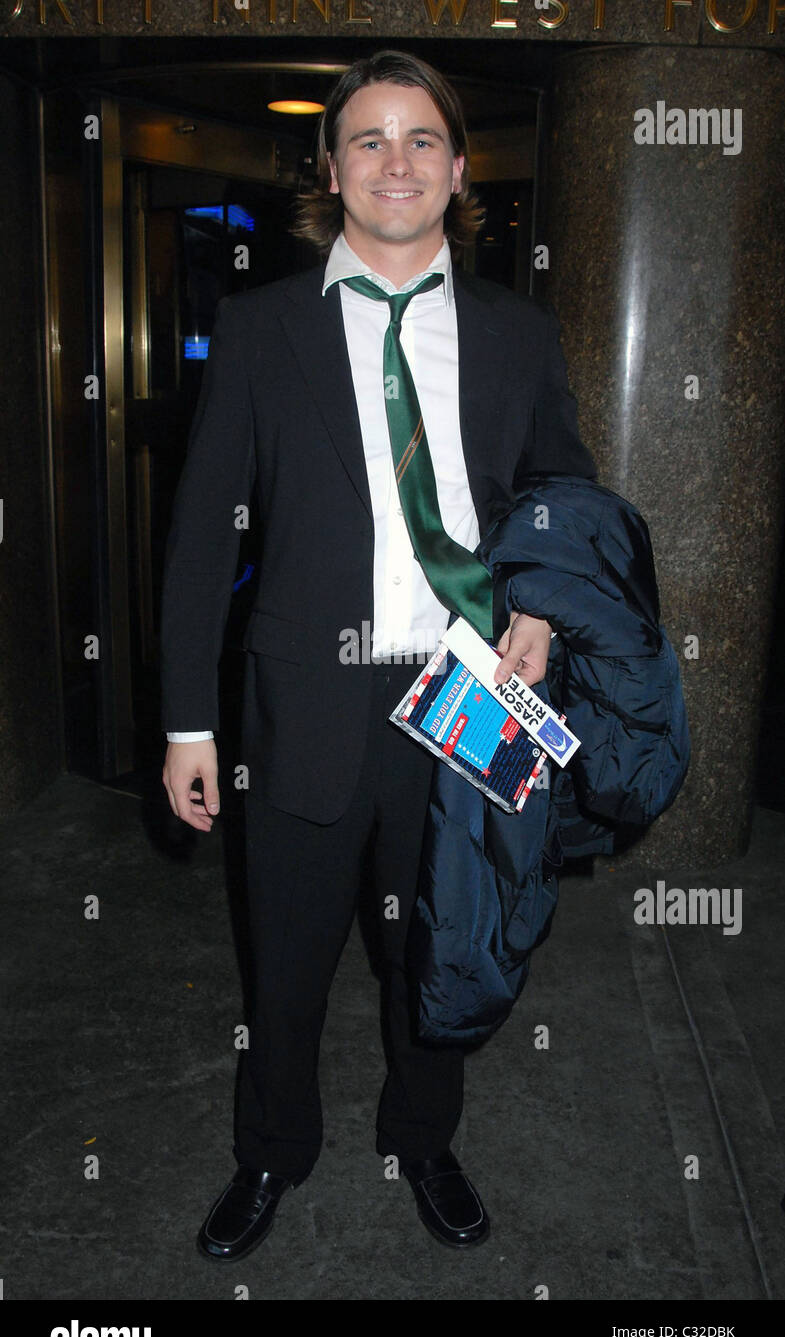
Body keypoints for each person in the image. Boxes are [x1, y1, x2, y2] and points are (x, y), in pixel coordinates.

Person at [160, 48, 596, 1262]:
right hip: (303, 696)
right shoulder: (259, 327)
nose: (392, 161)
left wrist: (539, 608)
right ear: (330, 169)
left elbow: (559, 494)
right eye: (367, 138)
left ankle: (423, 1137)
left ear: (456, 170)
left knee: (438, 952)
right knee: (284, 958)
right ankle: (270, 1151)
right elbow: (201, 534)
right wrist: (187, 720)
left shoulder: (517, 332)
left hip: (469, 691)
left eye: (419, 139)